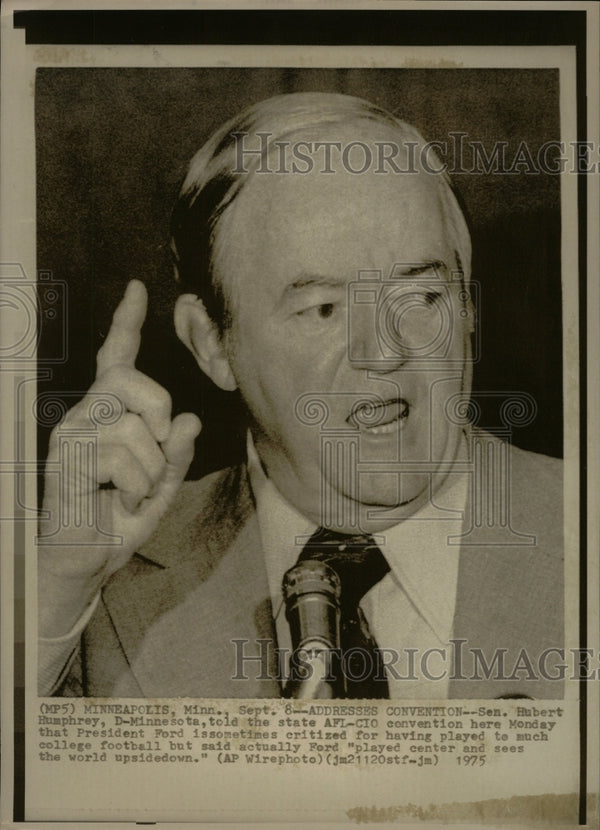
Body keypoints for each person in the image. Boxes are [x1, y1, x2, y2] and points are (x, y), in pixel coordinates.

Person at [38, 92, 564, 699]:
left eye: (421, 297)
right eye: (323, 308)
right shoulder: (97, 579)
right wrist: (57, 591)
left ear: (468, 306)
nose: (383, 350)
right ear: (212, 343)